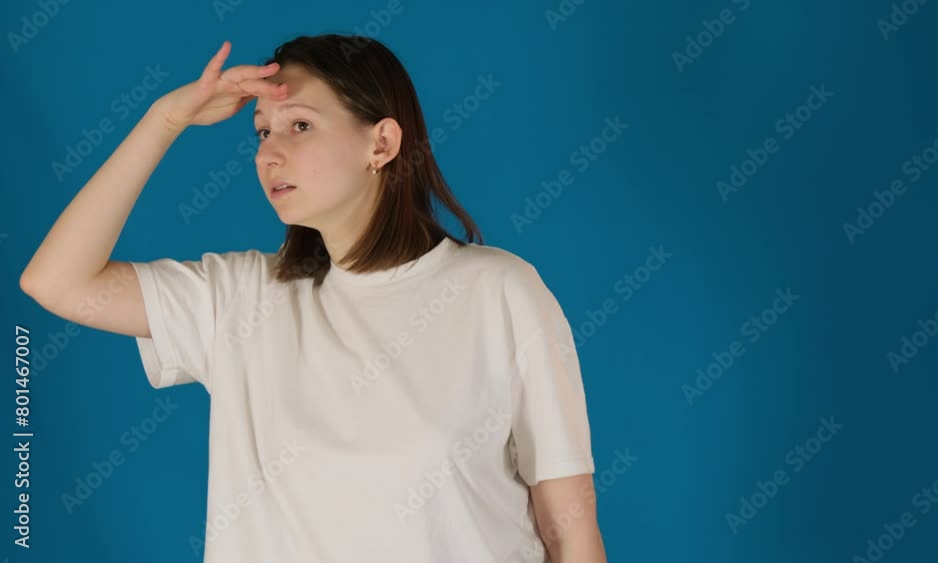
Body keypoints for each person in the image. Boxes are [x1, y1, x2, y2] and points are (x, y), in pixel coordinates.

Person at [20, 34, 606, 562]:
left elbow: (569, 532)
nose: (267, 153)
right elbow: (57, 282)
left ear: (382, 143)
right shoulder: (240, 299)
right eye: (262, 132)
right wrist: (165, 119)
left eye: (299, 125)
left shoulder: (500, 292)